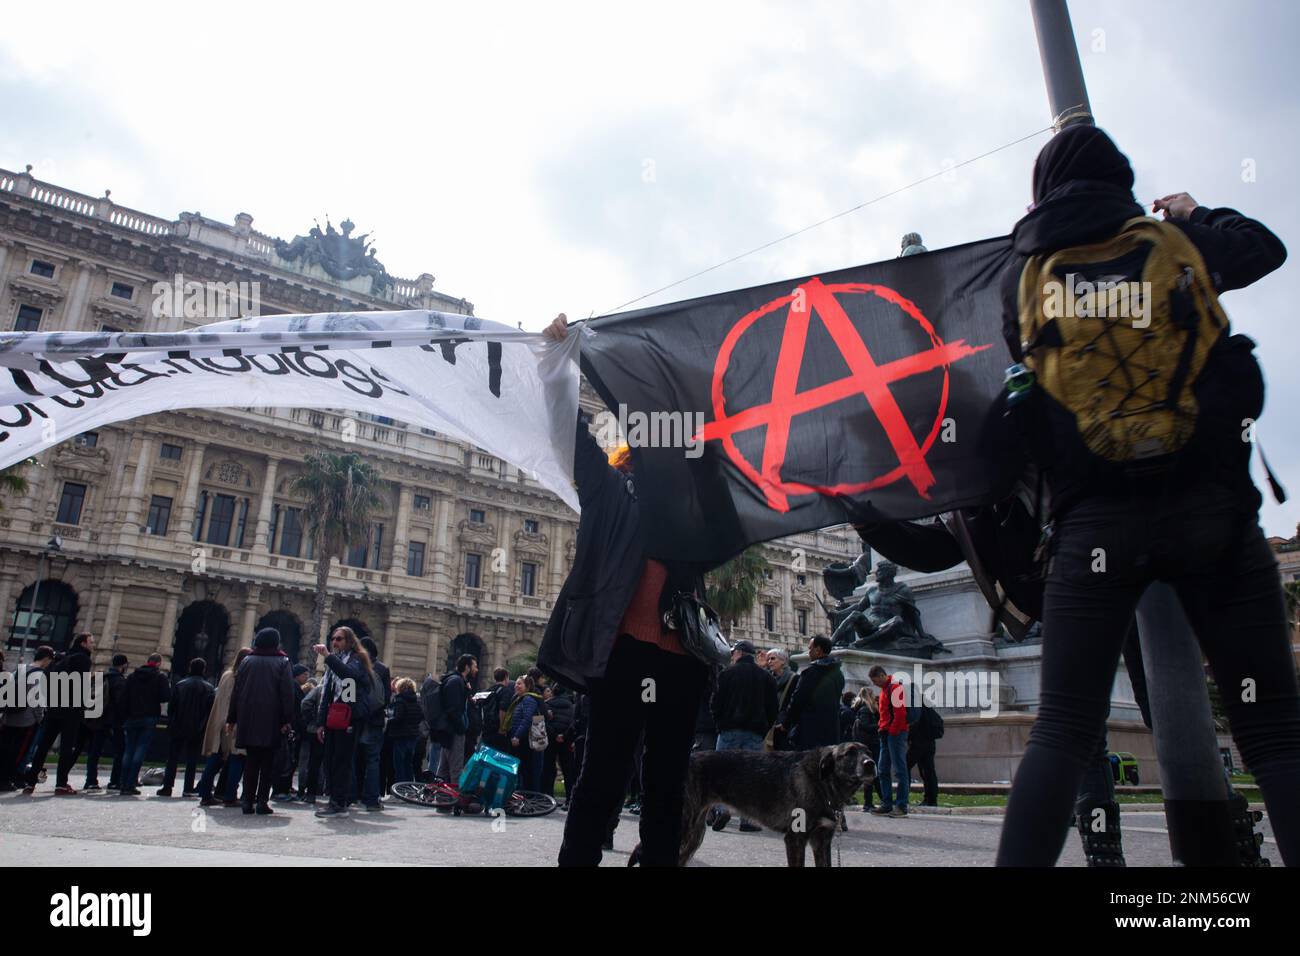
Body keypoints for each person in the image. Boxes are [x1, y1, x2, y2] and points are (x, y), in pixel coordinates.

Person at [994, 125, 1300, 867]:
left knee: (1062, 730)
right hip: (1213, 511)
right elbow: (1266, 247)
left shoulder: (1025, 275)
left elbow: (1027, 373)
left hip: (1094, 523)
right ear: (1122, 178)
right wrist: (1196, 218)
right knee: (1274, 734)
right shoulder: (1177, 246)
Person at [538, 314, 717, 868]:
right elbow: (569, 432)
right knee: (604, 776)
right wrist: (559, 362)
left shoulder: (696, 506)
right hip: (625, 654)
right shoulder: (612, 491)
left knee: (667, 784)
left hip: (684, 660)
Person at [710, 640, 779, 833]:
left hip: (729, 730)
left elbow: (715, 702)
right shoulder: (766, 677)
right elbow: (773, 708)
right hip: (754, 732)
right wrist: (763, 728)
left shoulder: (726, 674)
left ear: (739, 653)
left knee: (721, 772)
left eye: (733, 652)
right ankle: (747, 819)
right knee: (750, 776)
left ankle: (721, 809)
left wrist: (720, 724)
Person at [228, 627, 296, 815]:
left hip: (248, 719)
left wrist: (232, 718)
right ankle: (262, 801)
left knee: (251, 762)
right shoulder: (283, 662)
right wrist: (287, 719)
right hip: (272, 720)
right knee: (268, 764)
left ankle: (247, 801)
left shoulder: (247, 661)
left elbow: (237, 692)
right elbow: (287, 694)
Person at [22, 632, 95, 795]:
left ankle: (30, 782)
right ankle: (61, 784)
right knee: (66, 747)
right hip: (71, 709)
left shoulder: (61, 657)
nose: (92, 645)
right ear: (83, 643)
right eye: (91, 642)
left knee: (43, 746)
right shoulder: (83, 659)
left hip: (54, 707)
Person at [313, 626, 374, 817]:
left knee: (342, 760)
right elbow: (327, 694)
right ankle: (334, 800)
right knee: (330, 759)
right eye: (333, 639)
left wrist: (327, 656)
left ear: (349, 641)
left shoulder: (358, 660)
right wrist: (321, 722)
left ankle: (340, 802)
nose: (335, 642)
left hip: (350, 717)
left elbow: (349, 676)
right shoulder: (336, 661)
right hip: (335, 716)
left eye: (339, 639)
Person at [196, 648, 250, 807]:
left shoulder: (226, 675)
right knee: (237, 758)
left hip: (219, 720)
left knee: (215, 758)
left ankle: (205, 794)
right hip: (235, 722)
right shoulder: (243, 678)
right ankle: (230, 795)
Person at [158, 658, 215, 797]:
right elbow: (210, 710)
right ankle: (188, 788)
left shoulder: (180, 685)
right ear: (204, 670)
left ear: (190, 668)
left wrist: (172, 722)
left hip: (178, 725)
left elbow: (172, 708)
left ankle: (167, 787)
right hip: (197, 727)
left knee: (172, 758)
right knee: (192, 760)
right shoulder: (208, 688)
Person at [776, 635, 844, 752]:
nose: (809, 652)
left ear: (818, 650)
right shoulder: (838, 674)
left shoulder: (811, 673)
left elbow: (797, 699)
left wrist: (786, 723)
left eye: (810, 648)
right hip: (832, 727)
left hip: (810, 728)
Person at [117, 652, 171, 796]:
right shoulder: (160, 677)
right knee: (140, 750)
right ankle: (130, 783)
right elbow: (166, 696)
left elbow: (124, 697)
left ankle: (122, 783)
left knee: (128, 750)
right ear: (158, 663)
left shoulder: (133, 676)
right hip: (149, 716)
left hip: (131, 716)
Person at [1, 645, 53, 791]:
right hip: (26, 720)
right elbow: (38, 702)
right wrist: (40, 718)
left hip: (9, 717)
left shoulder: (20, 670)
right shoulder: (40, 675)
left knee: (4, 749)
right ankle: (7, 780)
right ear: (46, 659)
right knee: (18, 753)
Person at [868, 664, 909, 818]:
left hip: (895, 733)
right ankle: (887, 803)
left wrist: (892, 730)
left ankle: (901, 805)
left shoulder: (895, 687)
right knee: (883, 769)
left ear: (881, 676)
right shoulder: (885, 689)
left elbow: (900, 713)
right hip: (886, 732)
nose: (874, 684)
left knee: (899, 769)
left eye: (874, 680)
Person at [83, 653, 128, 792]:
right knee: (120, 751)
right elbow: (121, 703)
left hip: (96, 719)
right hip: (113, 722)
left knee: (94, 751)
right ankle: (115, 781)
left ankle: (90, 781)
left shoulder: (102, 677)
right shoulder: (120, 681)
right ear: (124, 665)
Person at [355, 636, 391, 811]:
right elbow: (386, 699)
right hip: (375, 720)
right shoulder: (383, 669)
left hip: (356, 719)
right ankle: (371, 800)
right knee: (373, 760)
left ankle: (352, 795)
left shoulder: (354, 666)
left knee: (354, 758)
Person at [432, 654, 477, 784]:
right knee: (456, 770)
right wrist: (461, 727)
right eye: (474, 666)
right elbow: (453, 709)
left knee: (443, 770)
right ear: (467, 667)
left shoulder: (456, 680)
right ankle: (455, 802)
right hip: (453, 731)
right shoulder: (456, 681)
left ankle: (441, 800)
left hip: (449, 730)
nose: (476, 669)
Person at [505, 675, 546, 793]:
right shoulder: (519, 699)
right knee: (522, 771)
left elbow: (527, 719)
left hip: (525, 740)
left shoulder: (528, 699)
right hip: (519, 739)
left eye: (520, 684)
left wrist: (517, 735)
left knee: (527, 771)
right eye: (516, 684)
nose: (516, 686)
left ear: (528, 686)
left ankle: (529, 798)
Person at [541, 684, 578, 802]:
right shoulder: (572, 706)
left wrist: (554, 735)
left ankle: (548, 796)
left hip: (551, 741)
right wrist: (564, 735)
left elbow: (544, 724)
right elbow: (573, 723)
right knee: (568, 770)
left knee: (549, 768)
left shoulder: (547, 704)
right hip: (566, 741)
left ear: (553, 692)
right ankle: (569, 799)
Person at [906, 698, 941, 808]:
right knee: (929, 771)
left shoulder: (916, 708)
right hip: (930, 743)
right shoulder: (929, 709)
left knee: (904, 767)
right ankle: (931, 799)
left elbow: (914, 724)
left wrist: (908, 736)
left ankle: (903, 796)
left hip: (918, 743)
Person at [387, 678, 423, 784]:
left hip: (400, 736)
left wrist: (388, 721)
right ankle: (409, 787)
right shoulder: (417, 700)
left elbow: (398, 717)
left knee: (399, 765)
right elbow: (420, 716)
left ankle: (400, 789)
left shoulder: (400, 701)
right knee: (408, 763)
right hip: (413, 736)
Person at [764, 649, 796, 751]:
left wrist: (785, 722)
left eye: (772, 658)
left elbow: (795, 703)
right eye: (768, 659)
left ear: (783, 661)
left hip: (784, 727)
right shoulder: (768, 679)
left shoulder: (794, 678)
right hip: (770, 725)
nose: (769, 662)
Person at [480, 667, 514, 752]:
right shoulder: (506, 691)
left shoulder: (488, 690)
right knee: (498, 755)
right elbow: (502, 710)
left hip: (486, 727)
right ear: (506, 677)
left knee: (487, 753)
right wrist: (502, 728)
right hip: (497, 729)